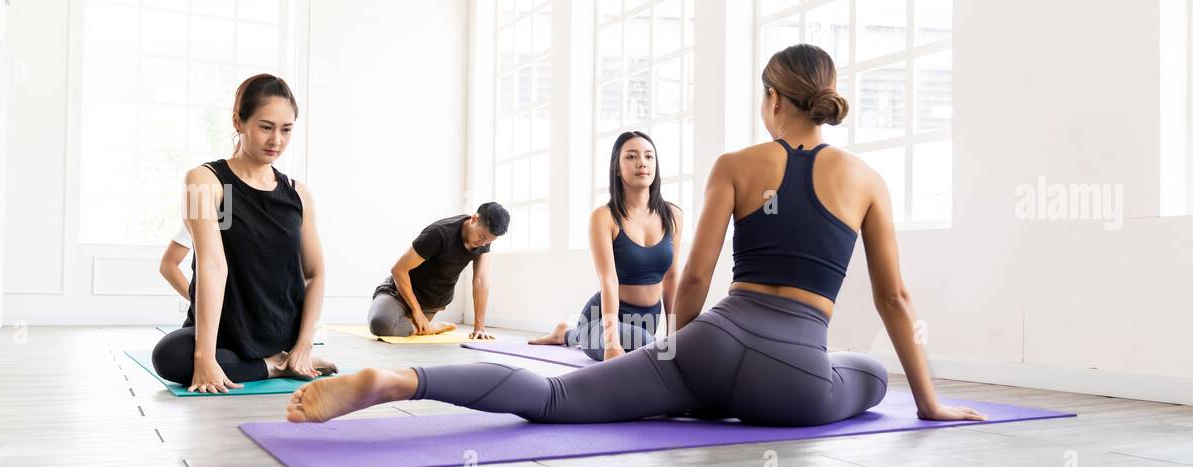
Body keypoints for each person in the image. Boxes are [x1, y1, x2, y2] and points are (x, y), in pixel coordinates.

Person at [284, 44, 983, 426]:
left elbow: (698, 280)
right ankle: (731, 395)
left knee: (555, 398)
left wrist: (681, 360)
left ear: (772, 98)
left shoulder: (735, 166)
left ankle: (399, 380)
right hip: (795, 379)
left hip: (712, 345)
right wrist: (929, 403)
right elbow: (893, 294)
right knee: (867, 373)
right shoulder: (866, 180)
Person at [151, 73, 336, 393]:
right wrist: (204, 355)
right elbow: (211, 264)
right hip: (223, 329)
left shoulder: (299, 193)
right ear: (238, 121)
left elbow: (315, 273)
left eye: (286, 129)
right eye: (266, 127)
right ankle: (274, 365)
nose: (276, 140)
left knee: (187, 359)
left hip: (278, 328)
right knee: (169, 357)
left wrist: (304, 344)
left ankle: (288, 356)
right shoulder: (202, 180)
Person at [528, 131, 680, 361]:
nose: (642, 162)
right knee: (653, 349)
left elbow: (671, 279)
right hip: (601, 320)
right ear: (617, 168)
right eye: (631, 157)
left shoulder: (673, 215)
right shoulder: (604, 217)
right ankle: (578, 333)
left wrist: (674, 334)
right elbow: (608, 280)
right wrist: (611, 343)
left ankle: (566, 334)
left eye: (649, 157)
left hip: (646, 322)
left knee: (655, 344)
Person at [368, 203, 510, 339]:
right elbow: (398, 270)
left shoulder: (483, 242)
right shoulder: (439, 233)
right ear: (474, 219)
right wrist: (416, 311)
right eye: (482, 237)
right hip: (398, 294)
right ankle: (431, 327)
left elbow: (480, 281)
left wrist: (479, 328)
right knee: (380, 324)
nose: (483, 244)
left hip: (430, 305)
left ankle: (421, 326)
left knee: (398, 326)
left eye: (489, 242)